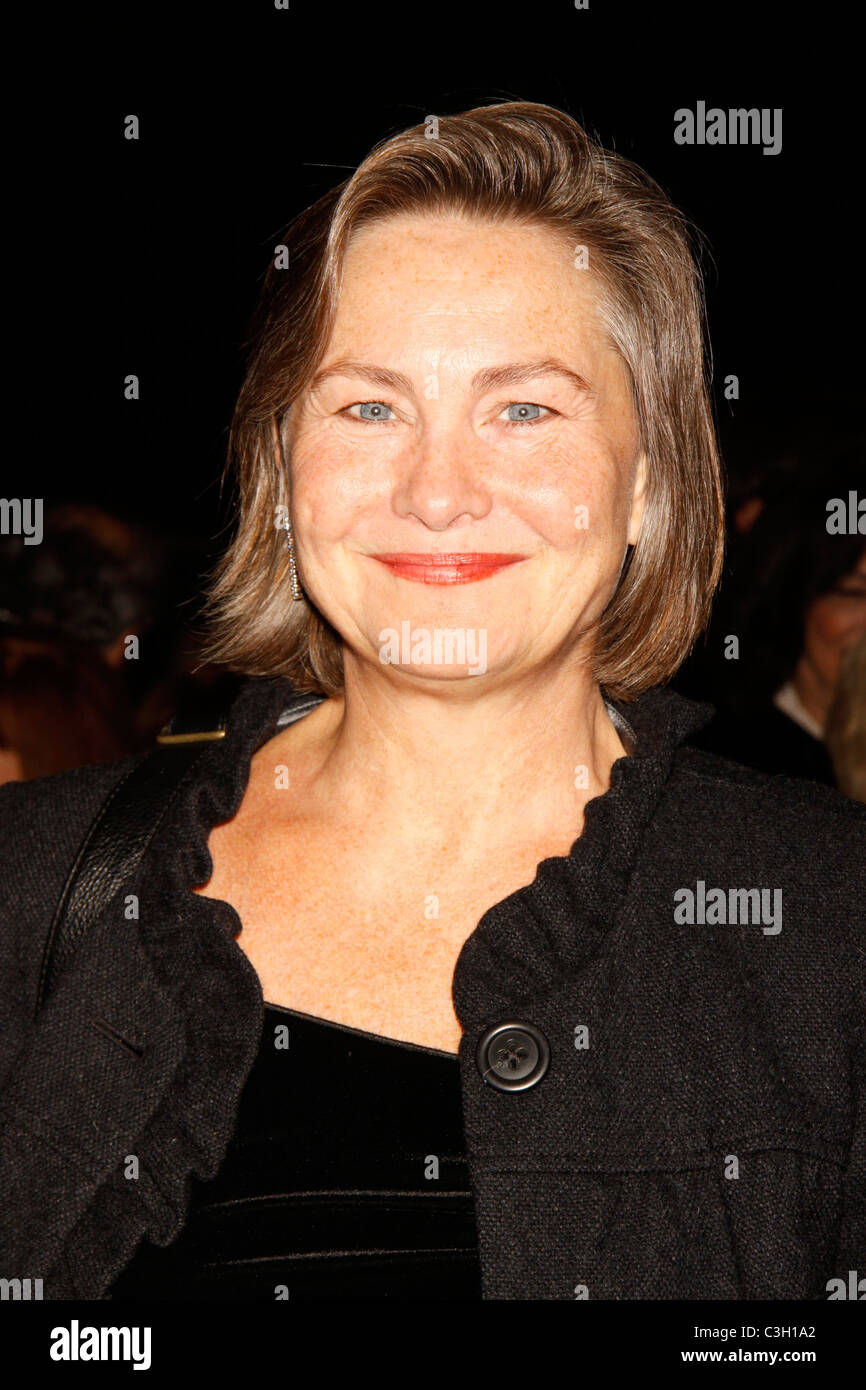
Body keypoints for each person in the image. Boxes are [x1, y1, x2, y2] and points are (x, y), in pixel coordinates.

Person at [1, 102, 863, 1302]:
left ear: (648, 479)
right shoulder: (31, 893)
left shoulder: (830, 923)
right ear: (279, 469)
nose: (439, 491)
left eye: (523, 408)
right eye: (368, 406)